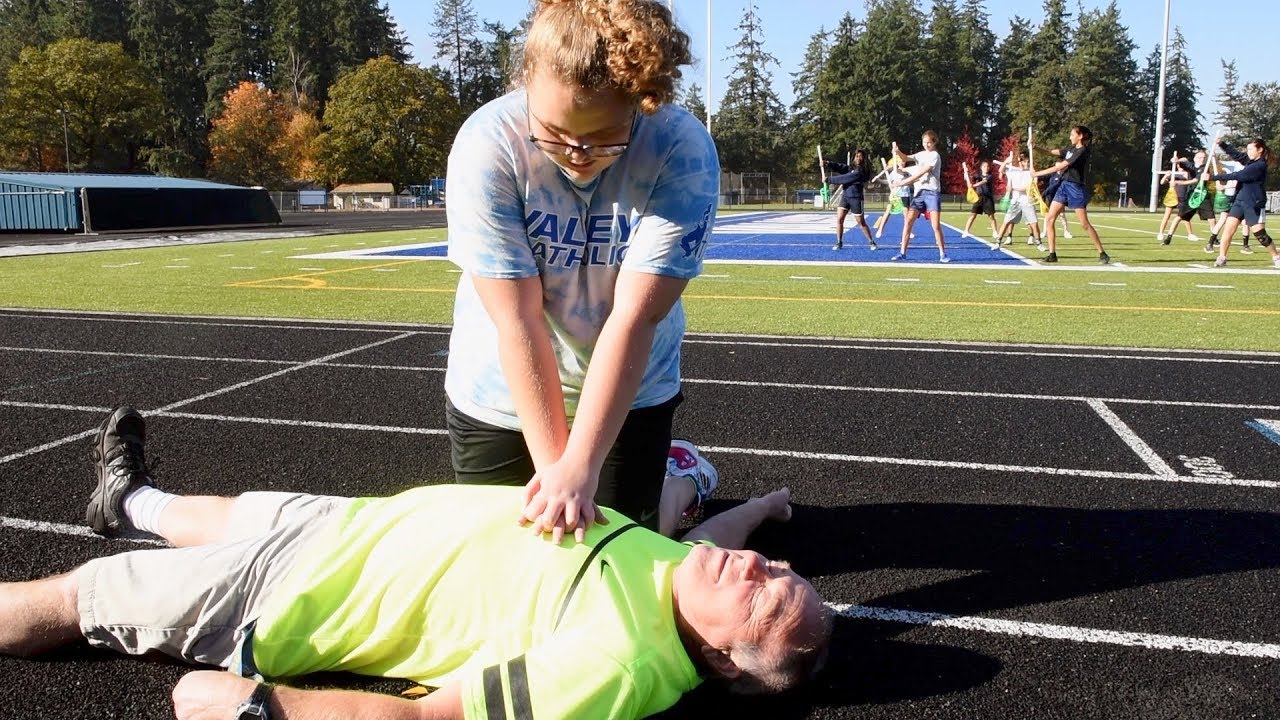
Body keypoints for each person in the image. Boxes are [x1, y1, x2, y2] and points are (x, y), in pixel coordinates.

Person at [6, 407, 832, 720]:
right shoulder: (683, 578)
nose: (757, 571)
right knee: (230, 512)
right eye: (779, 570)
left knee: (79, 595)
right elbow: (691, 545)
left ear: (723, 663)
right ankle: (126, 503)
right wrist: (755, 511)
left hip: (299, 600)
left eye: (764, 601)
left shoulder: (613, 669)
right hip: (363, 531)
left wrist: (262, 709)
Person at [442, 0, 720, 541]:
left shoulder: (681, 150)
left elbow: (634, 317)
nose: (577, 155)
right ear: (525, 83)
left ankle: (681, 482)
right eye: (554, 131)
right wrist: (556, 472)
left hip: (629, 389)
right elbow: (517, 318)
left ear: (642, 105)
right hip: (501, 389)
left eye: (603, 135)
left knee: (615, 556)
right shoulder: (488, 145)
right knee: (503, 559)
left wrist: (582, 467)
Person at [1031, 125, 1110, 265]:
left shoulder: (1082, 151)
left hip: (1075, 188)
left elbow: (1059, 167)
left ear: (1080, 136)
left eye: (1072, 134)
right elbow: (1050, 152)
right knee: (1049, 219)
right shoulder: (1070, 149)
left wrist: (1037, 173)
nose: (1070, 137)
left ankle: (1102, 253)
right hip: (1063, 186)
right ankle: (1052, 254)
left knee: (1084, 224)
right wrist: (1035, 147)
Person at [1203, 136, 1280, 268]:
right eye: (1248, 149)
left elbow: (1238, 175)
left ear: (1260, 150)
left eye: (1251, 149)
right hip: (1240, 200)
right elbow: (1236, 155)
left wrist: (1212, 177)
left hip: (1253, 203)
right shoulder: (1249, 161)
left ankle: (1276, 257)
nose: (1248, 151)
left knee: (1260, 235)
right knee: (1228, 230)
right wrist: (1222, 144)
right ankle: (1222, 257)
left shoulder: (1259, 165)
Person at [889, 130, 949, 263]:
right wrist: (898, 152)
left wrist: (902, 183)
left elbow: (921, 173)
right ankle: (902, 253)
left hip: (932, 193)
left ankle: (943, 254)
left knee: (935, 225)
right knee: (908, 220)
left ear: (934, 143)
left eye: (929, 142)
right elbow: (905, 159)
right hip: (919, 194)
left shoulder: (935, 156)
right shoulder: (920, 154)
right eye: (924, 142)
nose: (926, 144)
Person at [824, 149, 877, 251]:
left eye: (860, 156)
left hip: (856, 198)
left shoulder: (861, 171)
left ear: (863, 158)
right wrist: (828, 163)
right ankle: (839, 242)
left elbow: (846, 178)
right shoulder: (851, 168)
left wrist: (829, 180)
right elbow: (841, 167)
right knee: (839, 219)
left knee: (861, 222)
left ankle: (872, 242)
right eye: (856, 156)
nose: (858, 158)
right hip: (845, 197)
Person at [994, 150, 1045, 252]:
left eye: (1027, 161)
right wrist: (1006, 161)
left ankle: (1039, 243)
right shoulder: (1012, 171)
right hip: (1015, 202)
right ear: (1019, 162)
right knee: (1006, 221)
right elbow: (1000, 171)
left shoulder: (1030, 173)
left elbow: (1029, 187)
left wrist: (1014, 188)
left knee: (1034, 222)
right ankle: (998, 242)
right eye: (1023, 161)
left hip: (1027, 201)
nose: (1025, 163)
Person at [962, 160, 999, 241]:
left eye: (987, 166)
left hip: (988, 199)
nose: (986, 168)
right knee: (973, 215)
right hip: (978, 198)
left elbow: (983, 181)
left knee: (991, 216)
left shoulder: (990, 176)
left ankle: (995, 232)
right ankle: (966, 231)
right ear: (981, 168)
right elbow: (969, 179)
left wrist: (973, 185)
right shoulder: (977, 175)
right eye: (984, 166)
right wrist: (966, 173)